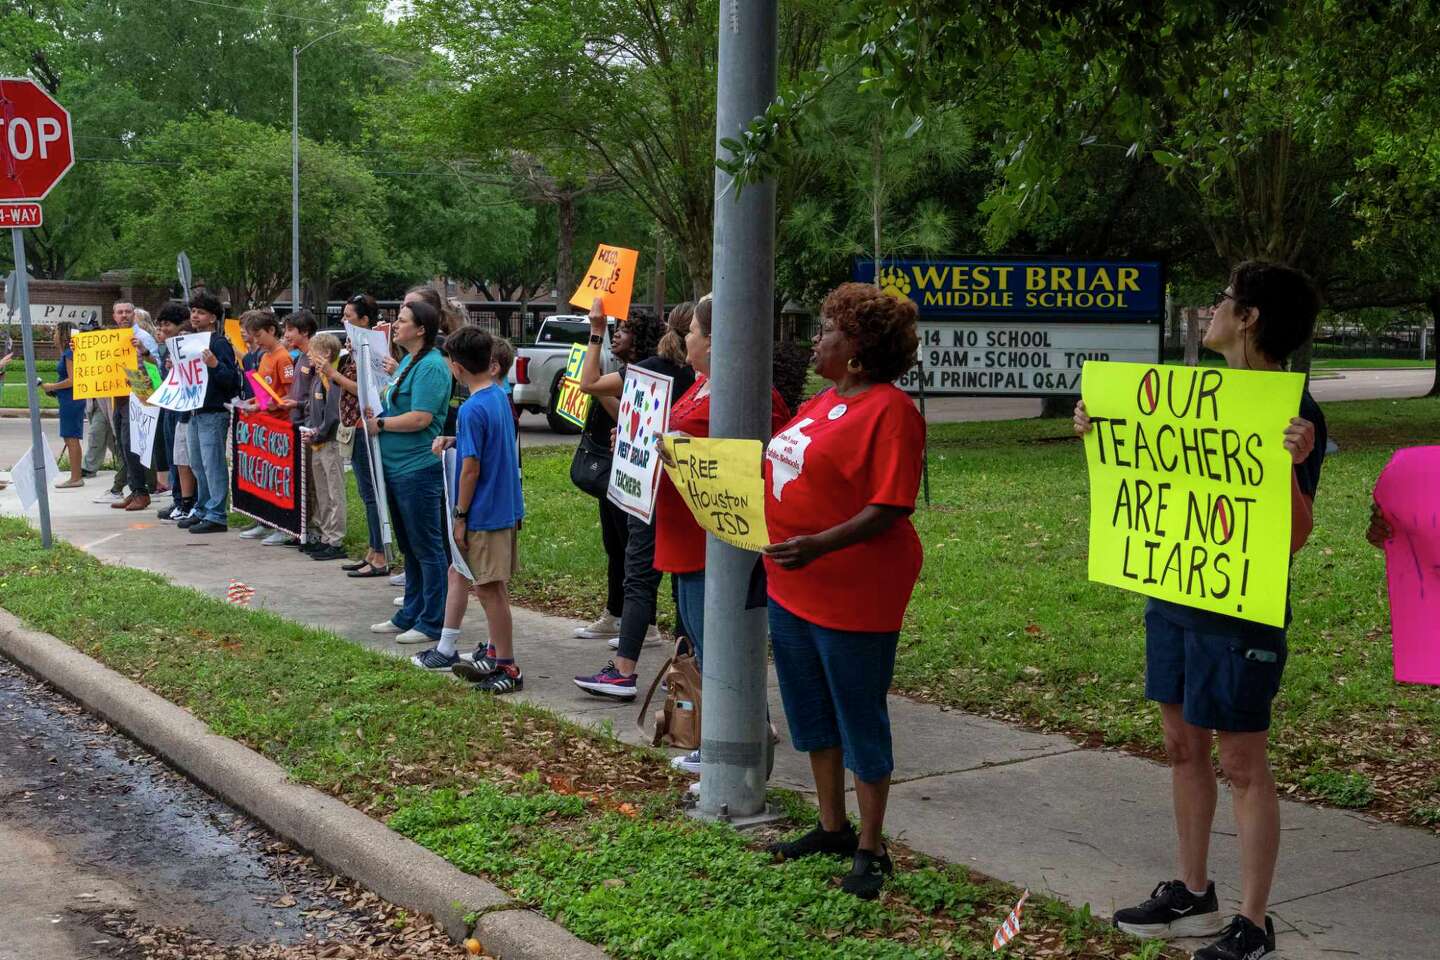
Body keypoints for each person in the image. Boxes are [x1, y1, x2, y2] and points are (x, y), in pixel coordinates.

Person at [1077, 262, 1325, 960]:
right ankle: (1192, 889)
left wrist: (1290, 465)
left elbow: (1294, 537)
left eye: (1223, 300)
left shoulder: (1293, 407)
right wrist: (1098, 429)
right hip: (1173, 592)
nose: (1211, 310)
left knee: (1243, 761)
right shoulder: (1187, 394)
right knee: (1182, 746)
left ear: (1248, 318)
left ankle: (1252, 920)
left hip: (1240, 611)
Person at [757, 283, 924, 901]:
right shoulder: (820, 402)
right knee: (810, 710)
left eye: (827, 328)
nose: (815, 337)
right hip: (792, 584)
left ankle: (871, 847)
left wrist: (818, 545)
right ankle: (831, 825)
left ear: (856, 352)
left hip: (855, 590)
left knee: (858, 714)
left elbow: (889, 506)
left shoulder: (891, 411)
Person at [657, 297, 791, 776]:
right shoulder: (702, 388)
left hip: (713, 541)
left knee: (720, 643)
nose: (685, 338)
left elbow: (755, 462)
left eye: (692, 329)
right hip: (685, 536)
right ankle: (732, 729)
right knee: (700, 636)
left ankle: (741, 735)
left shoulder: (746, 396)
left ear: (715, 339)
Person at [572, 301, 690, 700]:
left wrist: (595, 331)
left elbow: (588, 382)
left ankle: (627, 670)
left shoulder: (654, 370)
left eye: (623, 330)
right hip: (668, 488)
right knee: (678, 584)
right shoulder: (695, 378)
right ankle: (684, 670)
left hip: (652, 490)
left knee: (641, 575)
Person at [412, 328, 525, 694]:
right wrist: (455, 441)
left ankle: (507, 667)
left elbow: (471, 468)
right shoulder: (497, 396)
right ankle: (495, 650)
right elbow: (489, 443)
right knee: (494, 587)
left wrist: (460, 515)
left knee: (489, 589)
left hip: (485, 512)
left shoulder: (471, 409)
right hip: (505, 506)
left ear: (457, 368)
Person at [365, 300, 453, 644]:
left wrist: (381, 423)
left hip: (418, 468)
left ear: (420, 330)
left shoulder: (431, 366)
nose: (395, 325)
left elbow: (422, 418)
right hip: (396, 467)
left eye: (401, 321)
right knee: (410, 546)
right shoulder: (408, 361)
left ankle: (433, 620)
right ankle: (410, 612)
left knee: (427, 546)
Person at [328, 294, 390, 578]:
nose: (344, 320)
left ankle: (380, 554)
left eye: (349, 316)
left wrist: (334, 374)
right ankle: (372, 550)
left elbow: (365, 388)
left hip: (367, 428)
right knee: (365, 492)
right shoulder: (353, 348)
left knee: (372, 493)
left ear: (364, 320)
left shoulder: (374, 348)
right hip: (353, 425)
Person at [177, 292, 243, 534]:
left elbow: (231, 380)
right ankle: (203, 507)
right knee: (198, 464)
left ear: (213, 318)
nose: (195, 315)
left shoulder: (219, 343)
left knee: (212, 463)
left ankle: (217, 513)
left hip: (213, 412)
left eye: (201, 312)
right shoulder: (190, 342)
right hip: (195, 411)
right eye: (193, 311)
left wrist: (215, 365)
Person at [236, 310, 297, 542]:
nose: (256, 340)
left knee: (280, 479)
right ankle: (265, 520)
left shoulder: (283, 358)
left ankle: (282, 526)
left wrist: (273, 405)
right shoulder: (264, 357)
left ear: (272, 330)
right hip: (265, 425)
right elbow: (263, 392)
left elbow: (289, 395)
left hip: (280, 425)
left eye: (259, 334)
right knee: (265, 478)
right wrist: (252, 402)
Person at [300, 333, 347, 561]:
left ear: (326, 354)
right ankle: (325, 535)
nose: (308, 355)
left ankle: (336, 539)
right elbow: (311, 408)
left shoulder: (331, 379)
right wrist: (310, 429)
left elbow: (333, 413)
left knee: (334, 490)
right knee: (322, 492)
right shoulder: (317, 378)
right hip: (317, 442)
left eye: (313, 351)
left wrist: (318, 432)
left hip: (330, 441)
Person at [153, 304, 197, 522]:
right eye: (161, 325)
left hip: (184, 408)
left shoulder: (187, 343)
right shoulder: (168, 348)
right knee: (174, 456)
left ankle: (186, 500)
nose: (164, 329)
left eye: (168, 324)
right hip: (170, 405)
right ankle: (178, 499)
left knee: (184, 458)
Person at [42, 322, 87, 489]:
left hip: (71, 400)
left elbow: (73, 380)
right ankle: (75, 476)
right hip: (68, 398)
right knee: (70, 437)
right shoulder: (69, 352)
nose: (53, 336)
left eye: (55, 332)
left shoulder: (70, 353)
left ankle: (76, 478)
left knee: (71, 437)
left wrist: (51, 386)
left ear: (63, 335)